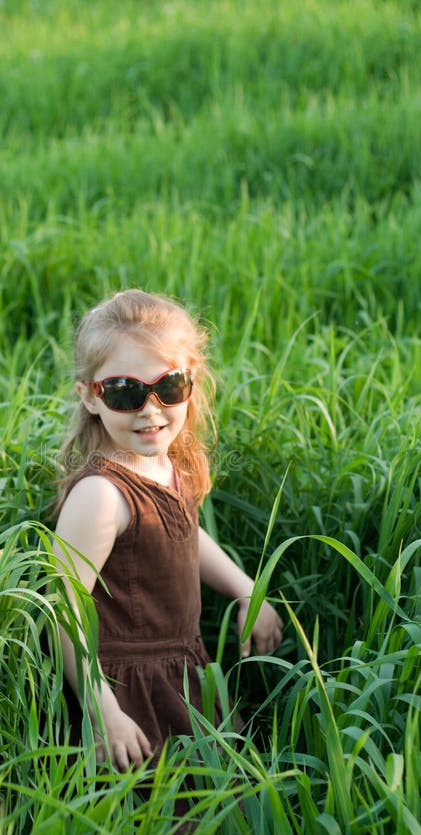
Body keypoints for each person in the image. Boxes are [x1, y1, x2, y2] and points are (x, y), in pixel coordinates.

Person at [53, 289, 283, 772]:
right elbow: (64, 612)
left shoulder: (164, 464)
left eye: (169, 386)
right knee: (160, 829)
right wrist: (103, 711)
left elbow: (182, 535)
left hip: (184, 674)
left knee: (226, 815)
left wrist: (246, 589)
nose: (150, 409)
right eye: (124, 391)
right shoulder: (100, 496)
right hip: (129, 694)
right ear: (90, 398)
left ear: (192, 382)